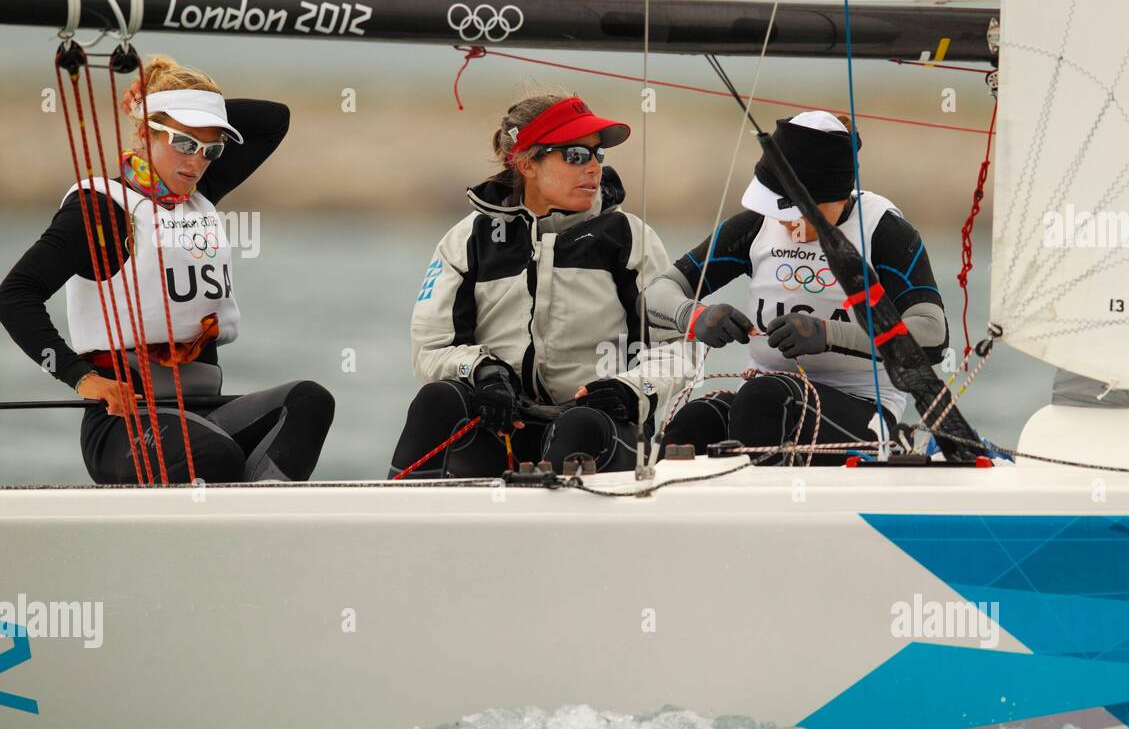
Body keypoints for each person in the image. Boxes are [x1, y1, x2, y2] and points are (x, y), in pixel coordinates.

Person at [0, 54, 334, 484]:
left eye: (210, 149)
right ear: (145, 132)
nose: (195, 162)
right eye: (183, 142)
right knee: (214, 456)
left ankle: (259, 522)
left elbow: (274, 119)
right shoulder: (100, 209)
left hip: (201, 414)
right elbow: (15, 294)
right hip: (124, 426)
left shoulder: (199, 189)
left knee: (309, 401)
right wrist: (80, 378)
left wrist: (182, 100)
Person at [638, 110, 949, 463]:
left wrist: (828, 333)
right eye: (778, 210)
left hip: (863, 410)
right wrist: (696, 317)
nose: (787, 223)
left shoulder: (885, 233)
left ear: (837, 194)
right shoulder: (755, 227)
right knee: (694, 422)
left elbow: (933, 337)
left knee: (767, 399)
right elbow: (654, 296)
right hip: (765, 402)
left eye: (797, 211)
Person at [389, 92, 670, 477]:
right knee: (439, 400)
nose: (593, 168)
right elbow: (430, 350)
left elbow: (678, 348)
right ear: (526, 163)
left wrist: (631, 390)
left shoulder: (630, 237)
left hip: (602, 426)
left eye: (597, 155)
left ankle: (553, 529)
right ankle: (398, 520)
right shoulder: (467, 240)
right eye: (575, 155)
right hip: (504, 423)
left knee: (579, 425)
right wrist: (483, 371)